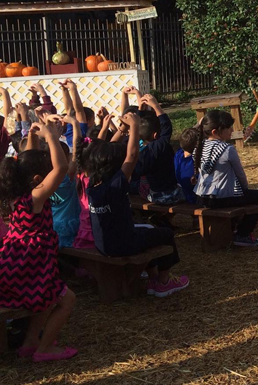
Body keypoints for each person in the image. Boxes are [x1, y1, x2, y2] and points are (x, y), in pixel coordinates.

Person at [84, 115, 189, 297]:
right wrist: (133, 126)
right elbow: (132, 156)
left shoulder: (92, 183)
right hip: (122, 244)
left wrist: (120, 131)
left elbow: (98, 152)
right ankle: (163, 282)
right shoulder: (115, 185)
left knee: (147, 229)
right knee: (165, 234)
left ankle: (153, 277)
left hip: (103, 243)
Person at [0, 116, 77, 361]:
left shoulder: (15, 193)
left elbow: (28, 162)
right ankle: (45, 349)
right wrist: (53, 137)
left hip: (16, 266)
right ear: (37, 180)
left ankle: (30, 342)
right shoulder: (35, 198)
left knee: (44, 300)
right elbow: (62, 168)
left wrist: (32, 134)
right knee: (66, 301)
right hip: (32, 267)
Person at [194, 110, 258, 247]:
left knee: (242, 195)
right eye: (228, 128)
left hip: (201, 197)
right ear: (215, 132)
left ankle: (234, 226)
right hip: (220, 198)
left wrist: (199, 124)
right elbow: (240, 175)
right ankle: (243, 234)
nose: (232, 130)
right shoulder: (227, 149)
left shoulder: (199, 146)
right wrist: (244, 189)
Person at [133, 94, 183, 204]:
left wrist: (140, 110)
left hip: (153, 195)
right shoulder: (159, 146)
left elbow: (137, 130)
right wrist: (156, 106)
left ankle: (160, 218)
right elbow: (166, 127)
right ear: (155, 135)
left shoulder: (138, 146)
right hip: (171, 194)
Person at [50, 115, 83, 248]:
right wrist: (75, 124)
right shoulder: (65, 179)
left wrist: (49, 129)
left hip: (51, 227)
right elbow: (77, 151)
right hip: (69, 229)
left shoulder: (43, 179)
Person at [175, 127, 199, 205]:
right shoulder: (195, 162)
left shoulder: (178, 155)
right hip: (196, 198)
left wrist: (197, 126)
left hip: (186, 194)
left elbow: (187, 141)